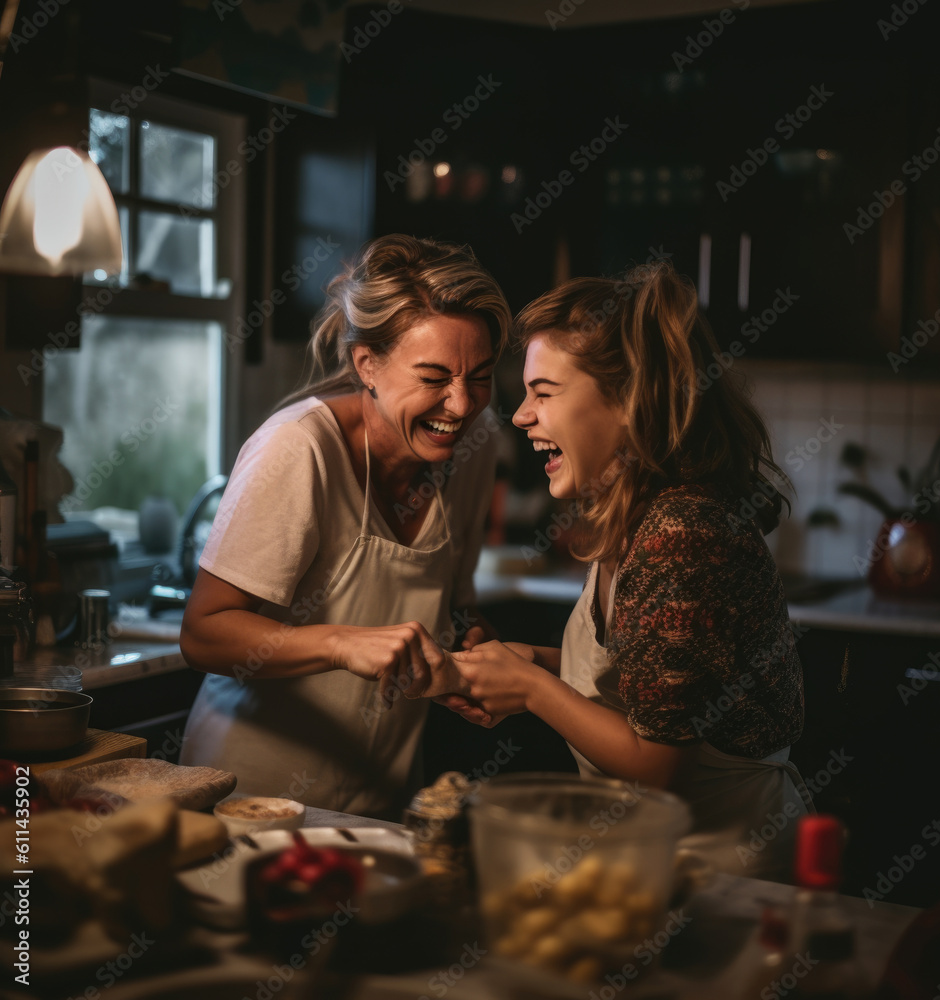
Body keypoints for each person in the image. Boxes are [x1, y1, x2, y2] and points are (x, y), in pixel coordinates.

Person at [446, 260, 813, 879]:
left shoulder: (682, 534)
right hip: (665, 855)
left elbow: (658, 761)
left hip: (732, 868)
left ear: (626, 400)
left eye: (544, 393)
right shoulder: (638, 517)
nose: (520, 416)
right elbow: (658, 685)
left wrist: (534, 692)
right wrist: (530, 664)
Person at [178, 234, 511, 820]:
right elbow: (204, 633)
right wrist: (339, 641)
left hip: (383, 797)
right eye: (433, 378)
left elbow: (454, 602)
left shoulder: (473, 447)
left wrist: (471, 648)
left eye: (479, 377)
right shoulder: (299, 448)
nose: (461, 405)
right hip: (252, 795)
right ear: (368, 365)